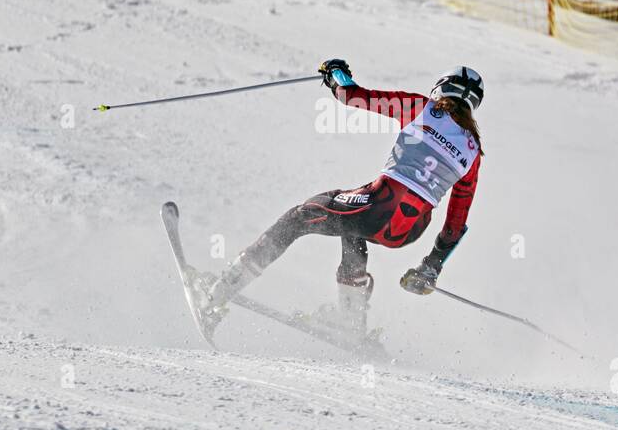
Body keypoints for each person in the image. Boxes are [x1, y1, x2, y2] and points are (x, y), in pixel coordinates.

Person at [199, 59, 484, 334]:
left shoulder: (422, 107)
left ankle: (221, 290)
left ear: (440, 88)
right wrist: (430, 267)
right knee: (353, 230)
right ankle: (350, 321)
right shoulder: (473, 152)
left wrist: (335, 73)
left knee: (300, 216)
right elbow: (455, 225)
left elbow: (352, 97)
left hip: (377, 206)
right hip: (407, 232)